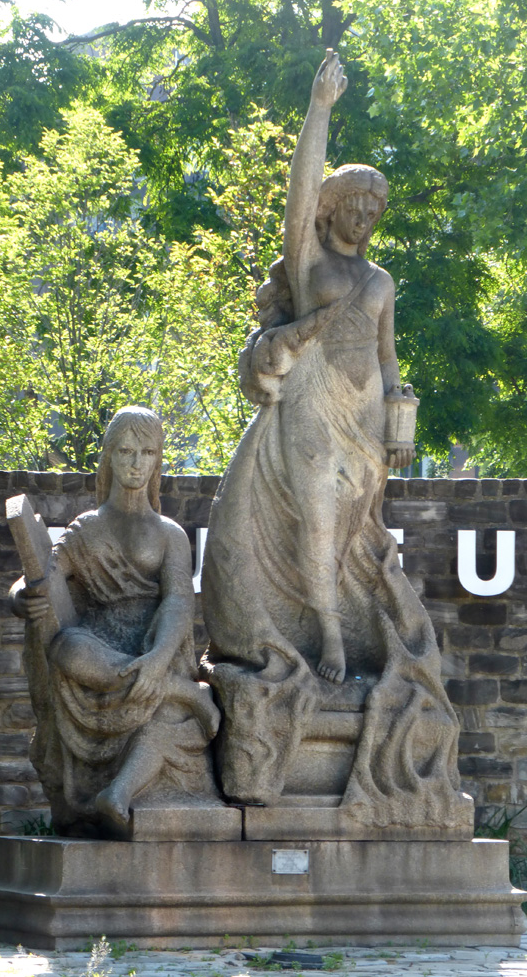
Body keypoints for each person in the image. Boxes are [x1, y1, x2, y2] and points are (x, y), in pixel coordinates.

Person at [202, 53, 470, 833]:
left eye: (373, 208)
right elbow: (296, 194)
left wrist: (398, 418)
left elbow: (387, 358)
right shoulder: (309, 262)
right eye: (352, 202)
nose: (363, 217)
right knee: (319, 516)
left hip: (358, 418)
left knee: (356, 529)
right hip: (307, 415)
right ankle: (322, 631)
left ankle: (344, 622)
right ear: (330, 209)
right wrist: (319, 109)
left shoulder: (381, 282)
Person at [14, 406, 219, 835]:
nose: (135, 462)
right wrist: (22, 598)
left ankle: (166, 689)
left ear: (157, 460)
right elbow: (40, 578)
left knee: (161, 717)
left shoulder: (169, 533)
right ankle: (183, 693)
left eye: (146, 452)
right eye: (125, 451)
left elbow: (179, 601)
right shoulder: (85, 528)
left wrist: (160, 658)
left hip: (151, 643)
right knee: (66, 647)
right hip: (100, 648)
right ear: (108, 456)